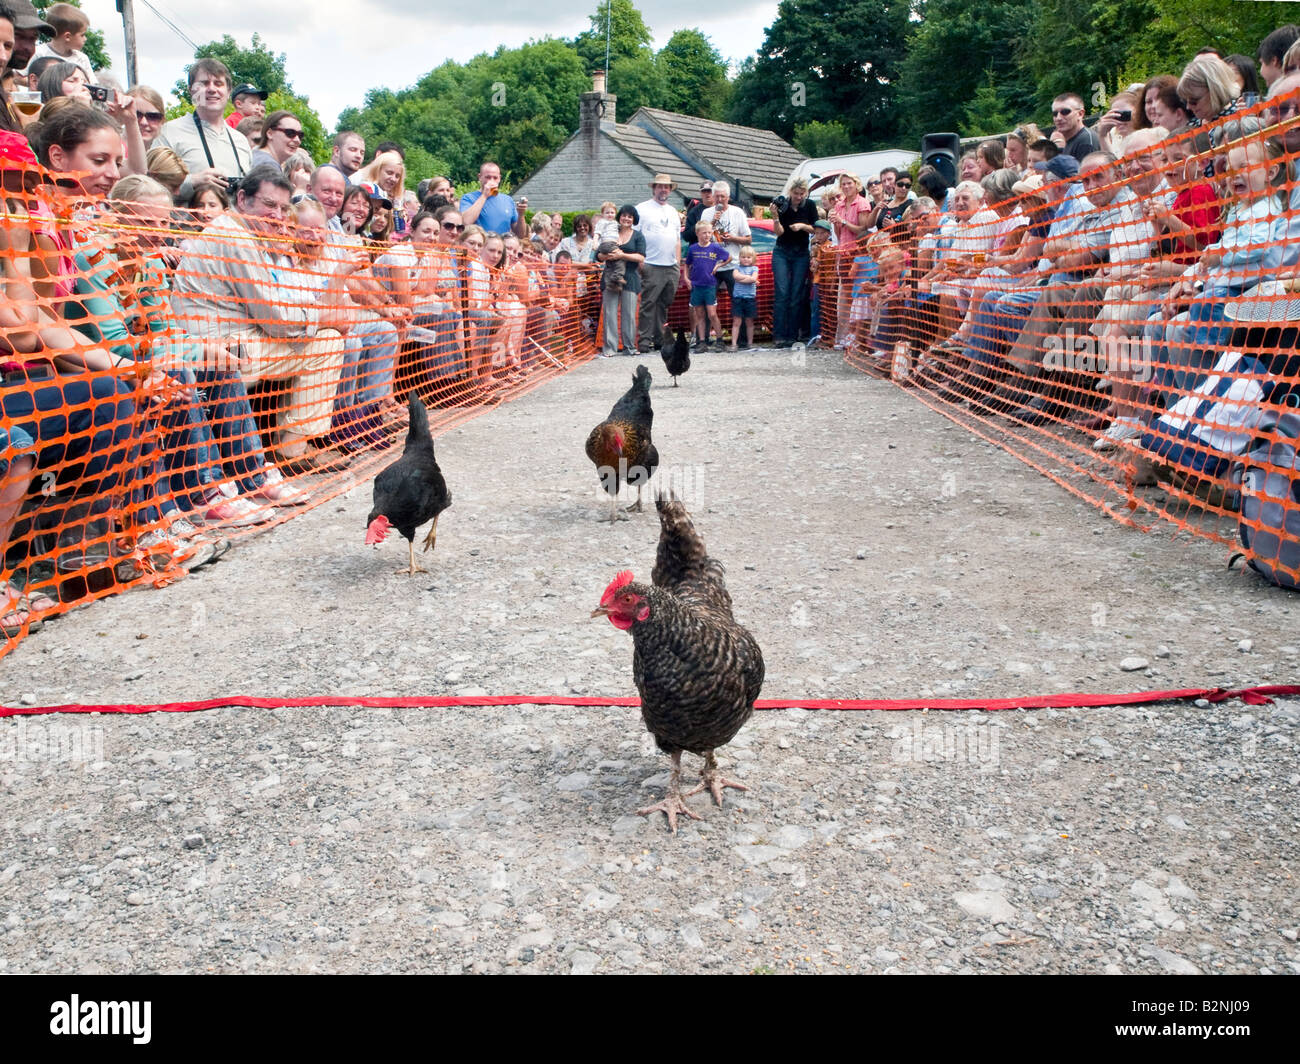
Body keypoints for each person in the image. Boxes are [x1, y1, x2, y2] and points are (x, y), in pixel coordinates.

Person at [171, 165, 348, 474]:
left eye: (282, 207)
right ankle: (294, 449)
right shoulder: (235, 237)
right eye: (270, 204)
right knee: (328, 342)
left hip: (229, 342)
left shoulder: (244, 233)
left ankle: (293, 445)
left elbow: (279, 306)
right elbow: (276, 317)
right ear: (243, 198)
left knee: (325, 336)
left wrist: (312, 315)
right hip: (218, 351)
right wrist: (322, 316)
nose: (278, 215)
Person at [153, 58, 251, 198]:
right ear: (191, 90)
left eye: (218, 83)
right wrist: (192, 182)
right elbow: (151, 187)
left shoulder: (240, 140)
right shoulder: (169, 132)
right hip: (186, 219)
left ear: (228, 91)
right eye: (204, 83)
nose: (212, 89)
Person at [635, 173, 682, 352]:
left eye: (667, 187)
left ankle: (660, 339)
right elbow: (636, 236)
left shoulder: (672, 211)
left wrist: (677, 263)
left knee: (664, 304)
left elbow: (677, 239)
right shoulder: (642, 209)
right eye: (660, 186)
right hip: (651, 263)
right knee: (648, 304)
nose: (663, 189)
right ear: (654, 188)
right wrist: (641, 260)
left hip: (670, 265)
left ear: (670, 190)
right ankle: (644, 342)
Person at [770, 177, 818, 346]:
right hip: (782, 251)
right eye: (796, 194)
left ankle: (792, 335)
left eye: (802, 194)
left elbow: (816, 228)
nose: (799, 197)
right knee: (782, 292)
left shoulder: (810, 205)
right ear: (790, 192)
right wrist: (775, 217)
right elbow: (779, 232)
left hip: (801, 253)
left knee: (796, 294)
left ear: (806, 193)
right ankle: (779, 334)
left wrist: (802, 226)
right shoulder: (783, 205)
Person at [596, 204, 644, 358]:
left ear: (634, 219)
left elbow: (641, 257)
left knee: (629, 314)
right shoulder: (610, 230)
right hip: (610, 276)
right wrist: (608, 257)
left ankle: (629, 347)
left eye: (630, 216)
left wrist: (622, 255)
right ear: (619, 217)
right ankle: (610, 347)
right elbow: (597, 255)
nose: (626, 218)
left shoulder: (638, 236)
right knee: (609, 313)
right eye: (624, 215)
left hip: (630, 277)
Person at [684, 219, 728, 349]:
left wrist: (718, 265)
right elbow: (687, 264)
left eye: (710, 232)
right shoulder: (693, 249)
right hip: (697, 285)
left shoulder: (715, 247)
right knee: (699, 315)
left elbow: (728, 257)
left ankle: (720, 339)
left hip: (710, 285)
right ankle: (702, 341)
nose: (707, 235)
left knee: (712, 314)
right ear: (697, 233)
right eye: (704, 233)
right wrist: (686, 278)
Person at [458, 159, 527, 238]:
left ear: (500, 178)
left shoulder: (508, 200)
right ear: (480, 177)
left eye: (495, 178)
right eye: (488, 177)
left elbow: (521, 235)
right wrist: (484, 196)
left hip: (502, 248)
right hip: (479, 247)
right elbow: (466, 222)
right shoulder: (468, 198)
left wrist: (521, 215)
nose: (491, 181)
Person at [28, 3, 90, 81]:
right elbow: (18, 77)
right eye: (82, 35)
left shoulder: (82, 59)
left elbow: (92, 84)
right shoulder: (38, 53)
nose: (85, 39)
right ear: (67, 36)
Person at [1050, 93, 1101, 161]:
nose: (1058, 118)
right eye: (1055, 114)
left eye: (1065, 112)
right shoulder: (1071, 141)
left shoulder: (1086, 140)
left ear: (1080, 114)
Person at [730, 247, 759, 350]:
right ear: (739, 258)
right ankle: (734, 344)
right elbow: (735, 276)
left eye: (748, 257)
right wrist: (749, 278)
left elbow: (754, 278)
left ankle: (750, 343)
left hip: (750, 299)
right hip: (738, 298)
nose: (746, 259)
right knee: (736, 322)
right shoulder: (736, 267)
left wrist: (745, 279)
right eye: (743, 257)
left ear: (753, 258)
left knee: (749, 322)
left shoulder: (755, 269)